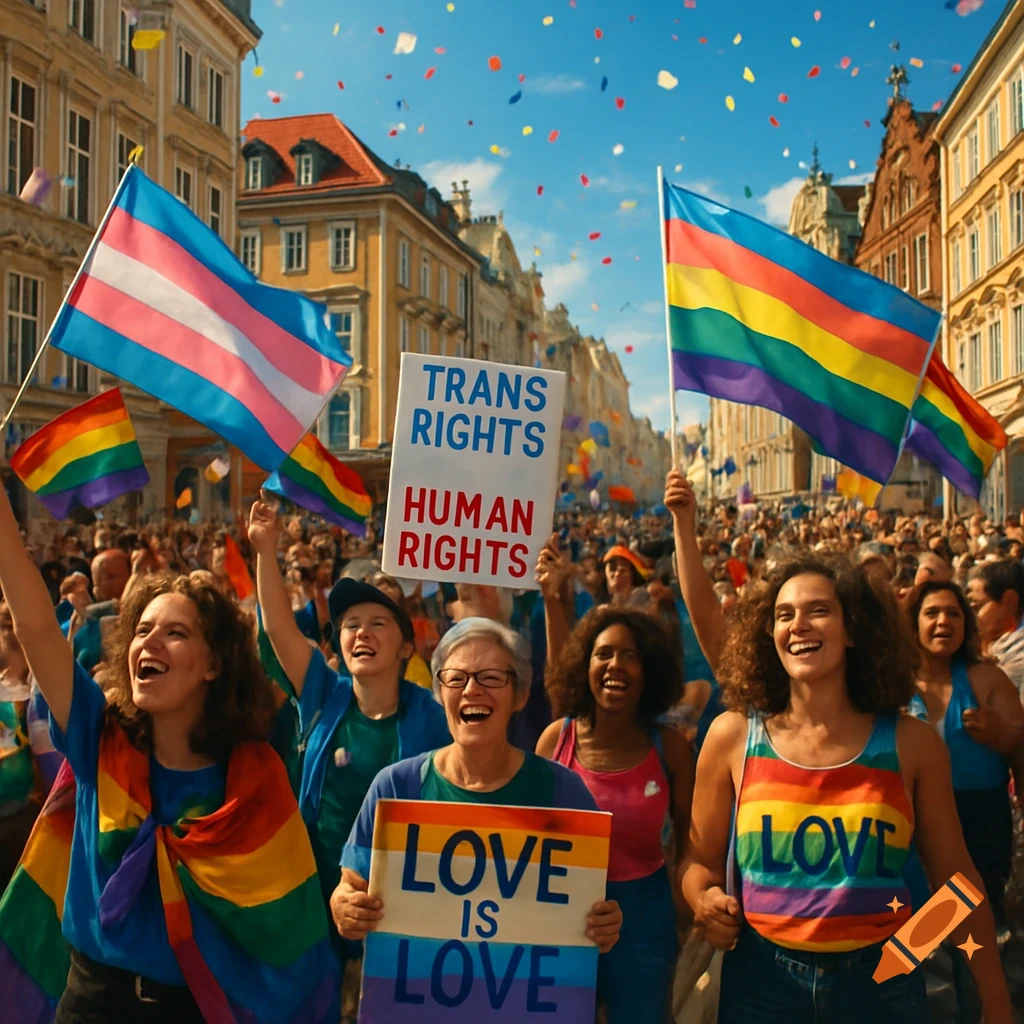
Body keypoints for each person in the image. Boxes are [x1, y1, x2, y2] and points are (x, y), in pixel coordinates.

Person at [664, 469, 1012, 1024]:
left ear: (852, 630)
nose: (798, 624)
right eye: (783, 615)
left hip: (885, 987)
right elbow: (697, 864)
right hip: (760, 984)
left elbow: (955, 881)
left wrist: (990, 998)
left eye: (817, 610)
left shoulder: (911, 744)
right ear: (768, 636)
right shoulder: (732, 737)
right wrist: (704, 899)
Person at [0, 486, 338, 1023]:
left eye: (175, 633)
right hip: (91, 1003)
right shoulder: (98, 738)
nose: (149, 642)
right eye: (142, 630)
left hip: (196, 1011)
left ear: (213, 664)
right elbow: (37, 628)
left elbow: (286, 930)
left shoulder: (253, 782)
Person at [329, 617, 623, 996]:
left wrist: (605, 924)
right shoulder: (395, 787)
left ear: (518, 696)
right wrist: (345, 907)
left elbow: (595, 906)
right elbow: (349, 885)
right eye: (456, 678)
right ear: (439, 693)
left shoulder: (563, 791)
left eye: (491, 677)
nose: (472, 690)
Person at [250, 499, 449, 975]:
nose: (361, 633)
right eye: (350, 626)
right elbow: (278, 628)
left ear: (406, 646)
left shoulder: (434, 715)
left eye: (378, 623)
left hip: (401, 902)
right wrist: (264, 549)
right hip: (315, 892)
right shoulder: (324, 692)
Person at [536, 604, 694, 1024]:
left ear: (650, 670)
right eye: (603, 654)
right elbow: (530, 839)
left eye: (631, 656)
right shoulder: (556, 740)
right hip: (561, 910)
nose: (615, 666)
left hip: (646, 917)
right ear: (584, 665)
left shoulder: (672, 748)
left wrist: (685, 907)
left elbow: (690, 840)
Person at [906, 581, 1023, 926]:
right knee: (920, 945)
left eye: (954, 613)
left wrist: (1004, 736)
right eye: (932, 613)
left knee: (973, 942)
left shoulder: (989, 679)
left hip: (979, 827)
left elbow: (1021, 753)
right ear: (913, 623)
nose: (944, 621)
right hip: (911, 827)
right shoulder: (891, 686)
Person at [966, 560, 1024, 695]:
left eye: (977, 606)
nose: (970, 616)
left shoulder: (1019, 656)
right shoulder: (982, 648)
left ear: (1009, 601)